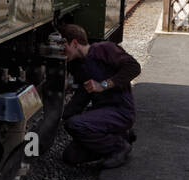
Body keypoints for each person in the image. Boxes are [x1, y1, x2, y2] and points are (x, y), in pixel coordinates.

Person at [59, 23, 140, 167]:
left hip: (120, 110)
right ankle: (120, 135)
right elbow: (82, 95)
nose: (61, 51)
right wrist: (61, 116)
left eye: (63, 46)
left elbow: (133, 67)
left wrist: (103, 85)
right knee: (70, 157)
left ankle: (119, 147)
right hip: (102, 113)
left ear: (74, 43)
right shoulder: (79, 65)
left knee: (75, 125)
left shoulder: (104, 49)